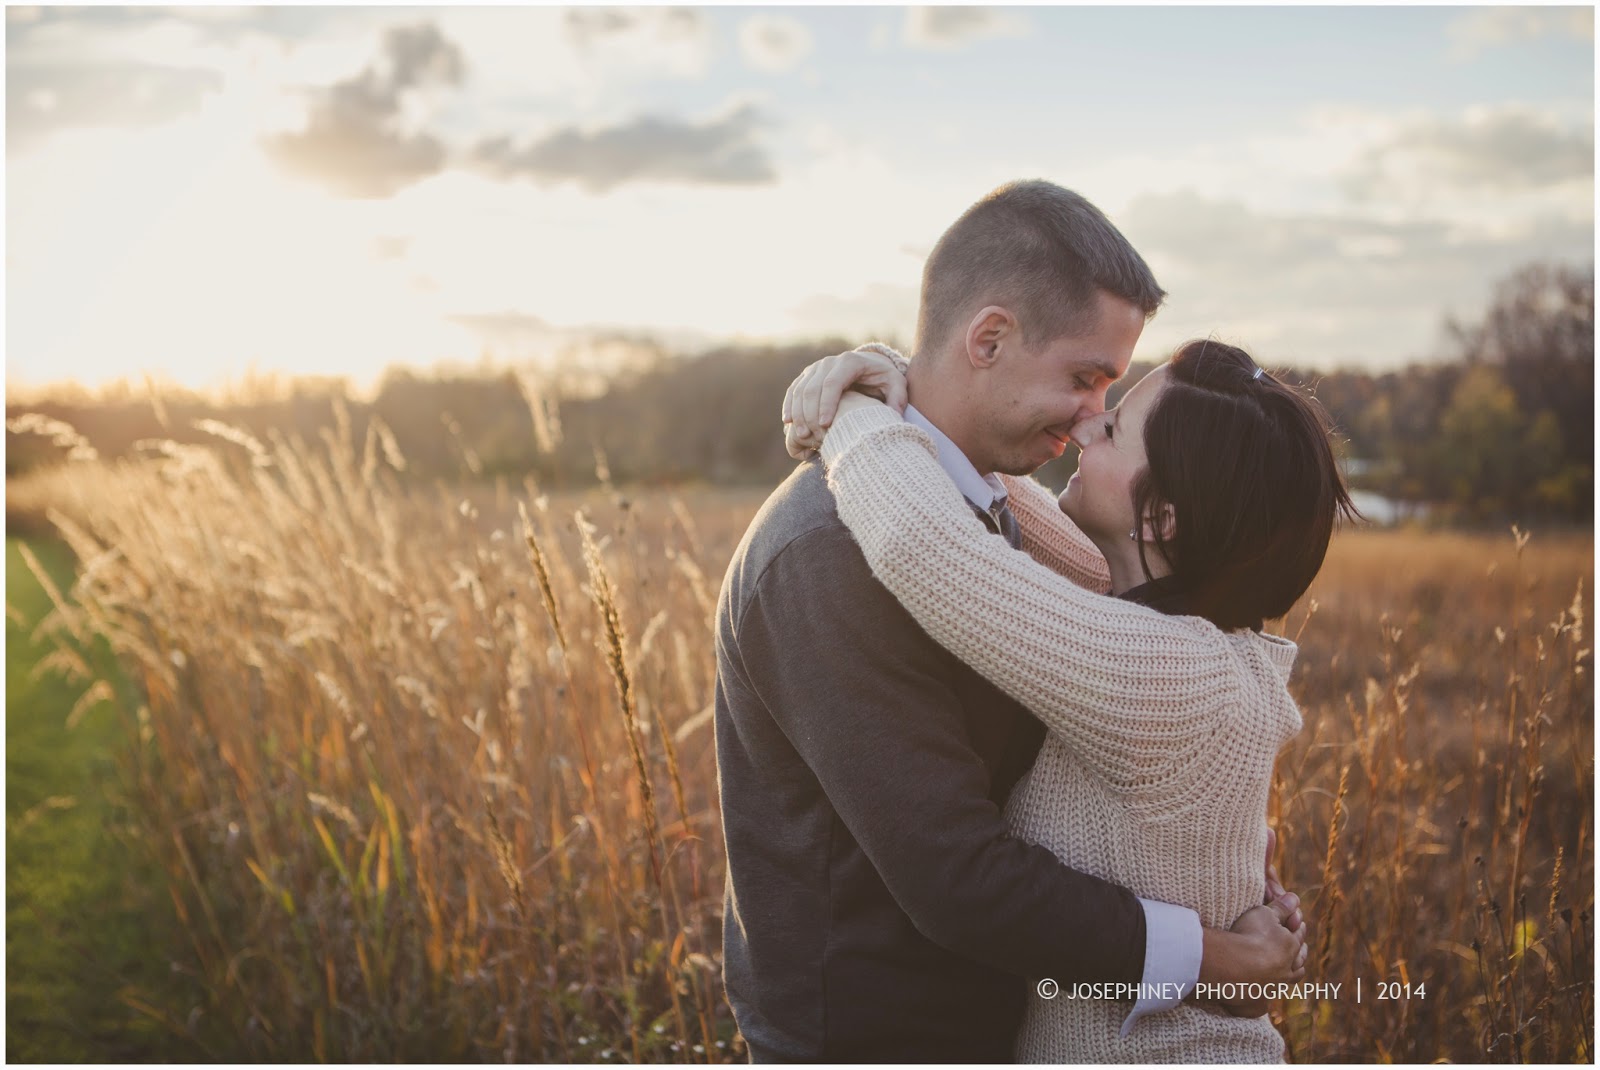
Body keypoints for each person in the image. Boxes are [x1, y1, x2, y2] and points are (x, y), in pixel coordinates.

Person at [714, 179, 1307, 1063]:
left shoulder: (986, 517)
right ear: (988, 339)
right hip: (881, 1044)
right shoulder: (832, 552)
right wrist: (1216, 955)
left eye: (1113, 396)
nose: (1093, 418)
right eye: (1085, 379)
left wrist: (1216, 872)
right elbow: (957, 877)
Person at [780, 335, 1358, 1061]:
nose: (1086, 426)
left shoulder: (1166, 676)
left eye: (1113, 430)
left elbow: (922, 542)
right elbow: (977, 476)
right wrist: (904, 379)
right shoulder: (1155, 620)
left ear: (1161, 518)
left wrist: (851, 412)